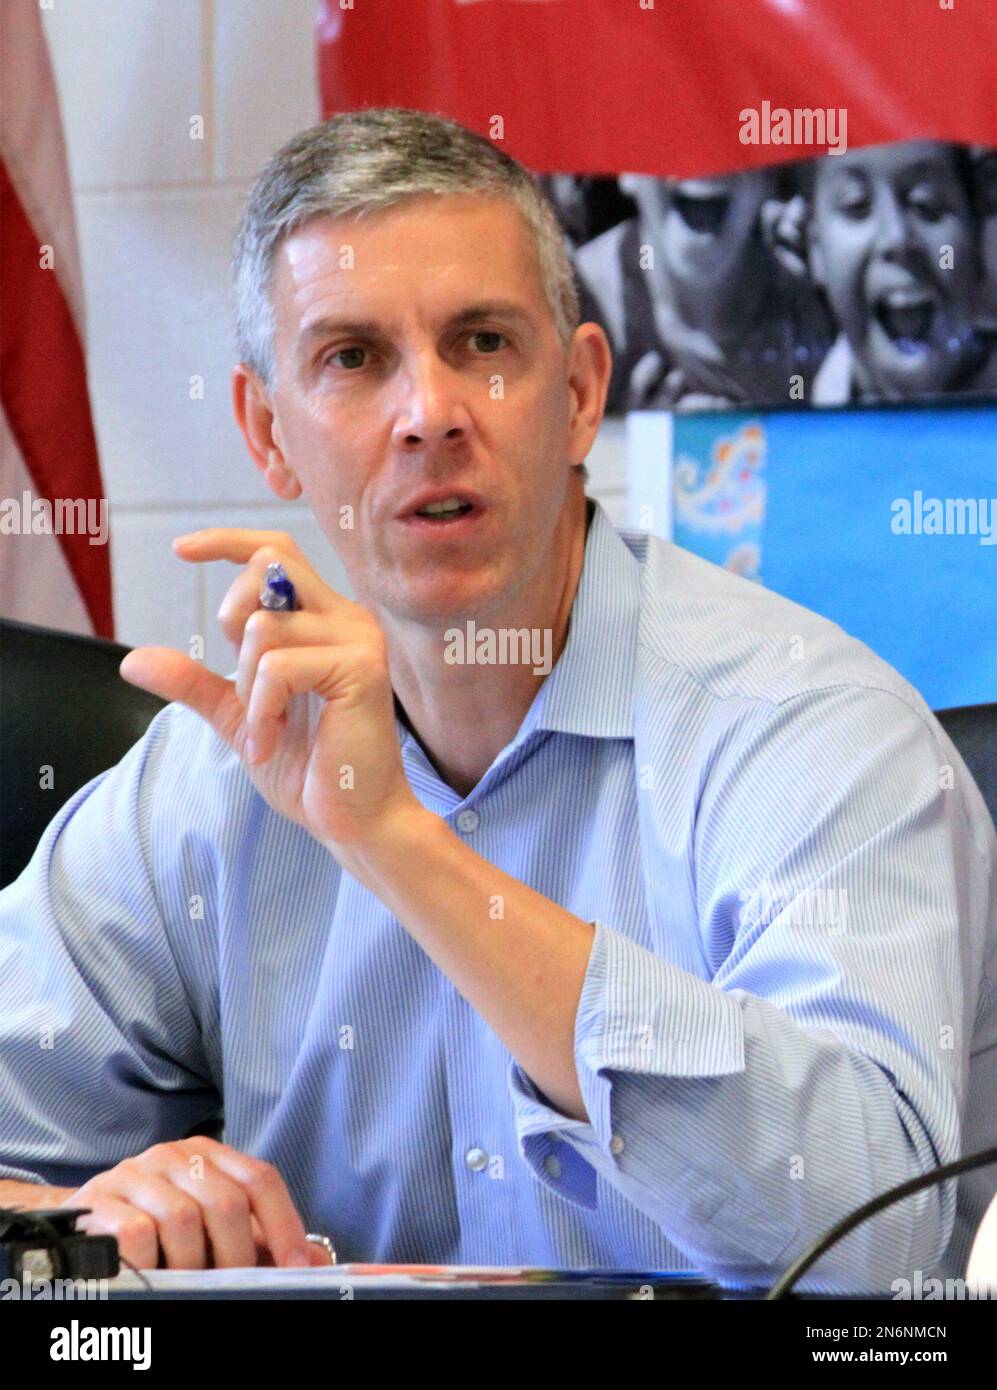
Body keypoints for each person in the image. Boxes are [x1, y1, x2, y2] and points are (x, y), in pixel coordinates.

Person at [0, 107, 994, 1290]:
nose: (430, 413)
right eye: (353, 359)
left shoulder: (811, 730)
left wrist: (402, 843)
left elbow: (871, 1238)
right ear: (269, 434)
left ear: (578, 392)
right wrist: (71, 1208)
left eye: (480, 342)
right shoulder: (209, 773)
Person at [573, 169, 833, 412]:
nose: (702, 162)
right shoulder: (574, 309)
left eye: (730, 132)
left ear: (769, 176)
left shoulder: (817, 312)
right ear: (626, 168)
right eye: (676, 130)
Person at [805, 140, 997, 404]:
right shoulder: (767, 427)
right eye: (856, 204)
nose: (896, 237)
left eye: (925, 203)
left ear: (977, 234)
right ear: (814, 248)